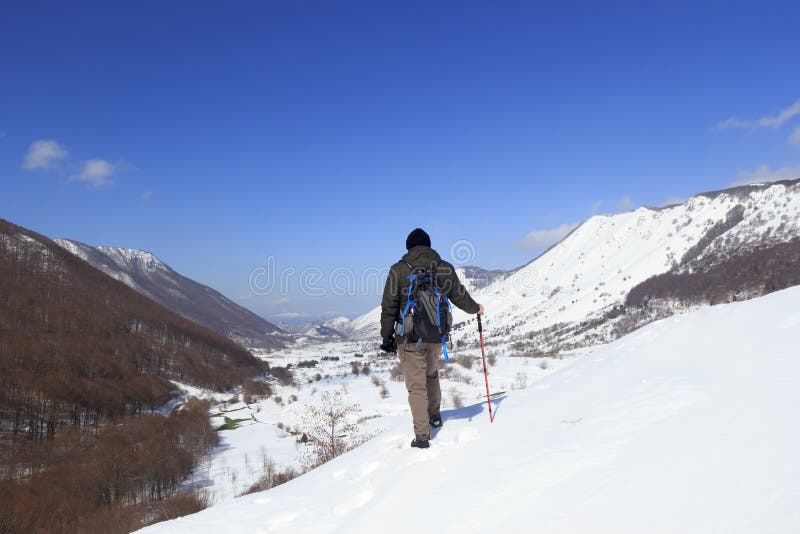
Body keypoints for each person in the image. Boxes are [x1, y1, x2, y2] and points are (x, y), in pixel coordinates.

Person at [380, 228, 484, 449]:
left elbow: (388, 307)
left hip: (409, 339)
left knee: (416, 386)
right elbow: (459, 295)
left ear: (409, 247)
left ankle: (422, 436)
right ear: (428, 246)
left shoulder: (398, 270)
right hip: (436, 336)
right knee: (432, 374)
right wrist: (476, 309)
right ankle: (435, 416)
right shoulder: (443, 268)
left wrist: (386, 337)